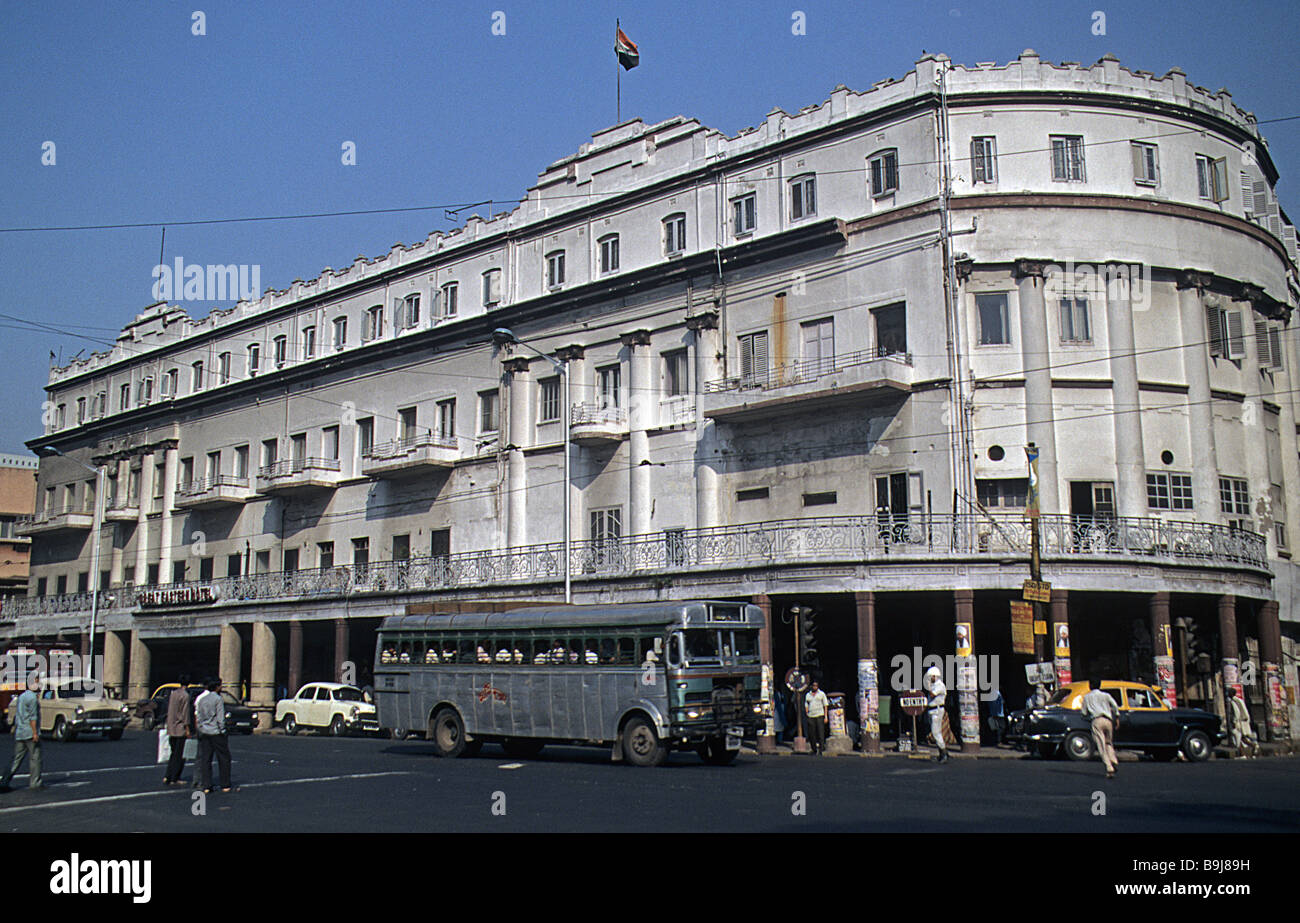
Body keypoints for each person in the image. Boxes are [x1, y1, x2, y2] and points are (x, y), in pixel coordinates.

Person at [1, 674, 43, 792]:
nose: (39, 684)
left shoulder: (22, 696)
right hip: (29, 732)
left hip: (20, 731)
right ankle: (35, 782)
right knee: (35, 757)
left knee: (16, 758)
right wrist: (35, 733)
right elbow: (33, 717)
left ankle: (4, 781)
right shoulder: (33, 698)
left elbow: (19, 715)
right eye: (37, 681)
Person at [194, 677, 234, 793]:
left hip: (205, 732)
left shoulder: (202, 699)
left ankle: (206, 785)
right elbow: (220, 718)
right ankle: (225, 784)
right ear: (217, 687)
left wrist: (201, 728)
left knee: (206, 759)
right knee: (224, 758)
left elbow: (199, 717)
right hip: (216, 732)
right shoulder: (218, 699)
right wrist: (222, 730)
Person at [1080, 678, 1120, 778]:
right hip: (1108, 720)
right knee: (1109, 742)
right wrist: (1117, 717)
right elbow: (1115, 705)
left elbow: (1084, 713)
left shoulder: (1087, 697)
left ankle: (1109, 767)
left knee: (1101, 745)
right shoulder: (1105, 695)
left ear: (1090, 686)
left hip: (1096, 721)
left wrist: (1086, 718)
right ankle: (1113, 759)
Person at [162, 675, 195, 786]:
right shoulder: (185, 696)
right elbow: (185, 714)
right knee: (179, 755)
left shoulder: (173, 694)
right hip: (180, 728)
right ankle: (175, 777)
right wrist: (188, 729)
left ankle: (168, 775)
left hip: (171, 727)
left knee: (173, 754)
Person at [1227, 687, 1260, 758]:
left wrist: (1234, 722)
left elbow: (1236, 713)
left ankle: (1242, 754)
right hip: (1243, 722)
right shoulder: (1239, 700)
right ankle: (1253, 746)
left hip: (1238, 723)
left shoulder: (1233, 702)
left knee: (1237, 739)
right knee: (1242, 739)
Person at [925, 665, 949, 763]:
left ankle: (944, 754)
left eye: (931, 676)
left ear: (935, 676)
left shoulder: (940, 685)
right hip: (932, 710)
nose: (930, 678)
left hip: (937, 710)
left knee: (936, 733)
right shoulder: (934, 685)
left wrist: (928, 686)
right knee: (936, 732)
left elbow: (932, 694)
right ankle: (942, 753)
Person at [805, 681, 829, 755]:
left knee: (820, 733)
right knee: (812, 733)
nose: (814, 687)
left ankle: (821, 749)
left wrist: (826, 716)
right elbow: (806, 704)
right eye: (813, 685)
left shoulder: (821, 694)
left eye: (816, 685)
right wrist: (807, 713)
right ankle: (814, 749)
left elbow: (825, 705)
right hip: (811, 715)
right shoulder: (808, 695)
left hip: (819, 715)